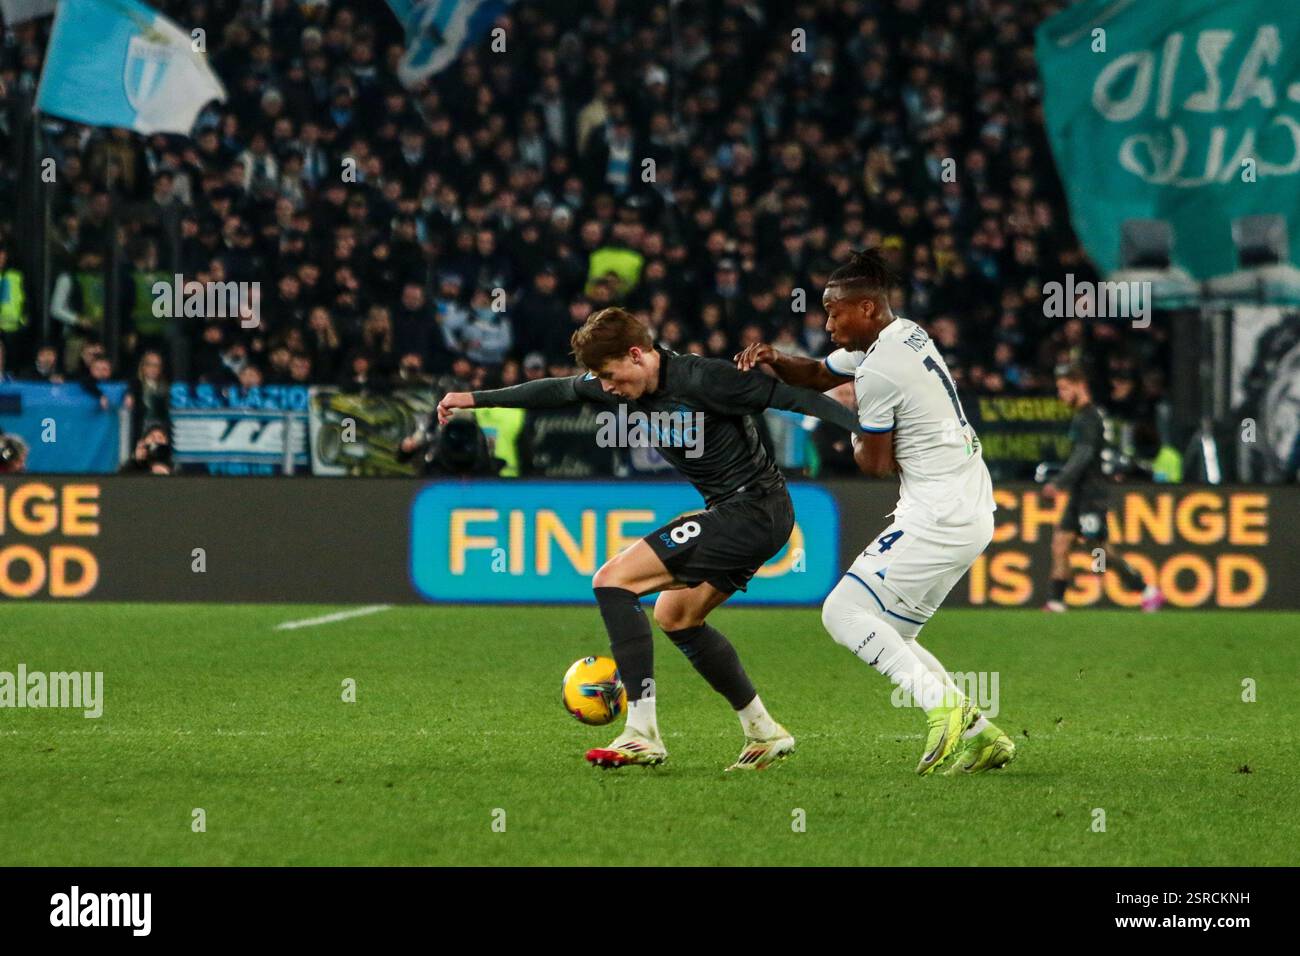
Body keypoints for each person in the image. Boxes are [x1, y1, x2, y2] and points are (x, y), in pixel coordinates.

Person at [438, 306, 863, 771]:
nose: (605, 387)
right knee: (676, 616)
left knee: (612, 581)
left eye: (609, 374)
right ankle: (763, 730)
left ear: (636, 354)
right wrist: (473, 398)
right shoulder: (621, 387)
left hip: (754, 509)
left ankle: (641, 732)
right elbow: (556, 390)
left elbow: (791, 399)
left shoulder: (704, 379)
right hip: (743, 512)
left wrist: (872, 432)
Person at [735, 249, 1014, 775]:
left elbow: (875, 465)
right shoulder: (902, 334)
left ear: (865, 309)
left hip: (938, 514)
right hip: (968, 507)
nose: (826, 322)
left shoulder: (881, 370)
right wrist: (776, 360)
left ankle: (946, 711)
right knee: (896, 634)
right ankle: (981, 734)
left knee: (841, 612)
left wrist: (853, 425)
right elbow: (818, 373)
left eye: (833, 312)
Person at [1044, 366, 1165, 613]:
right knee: (1060, 543)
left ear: (1080, 385)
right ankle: (1056, 602)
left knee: (1098, 550)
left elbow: (1084, 455)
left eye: (1065, 388)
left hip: (1092, 495)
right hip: (1079, 494)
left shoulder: (1089, 418)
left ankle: (1146, 590)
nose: (1061, 395)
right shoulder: (1082, 416)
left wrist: (1059, 482)